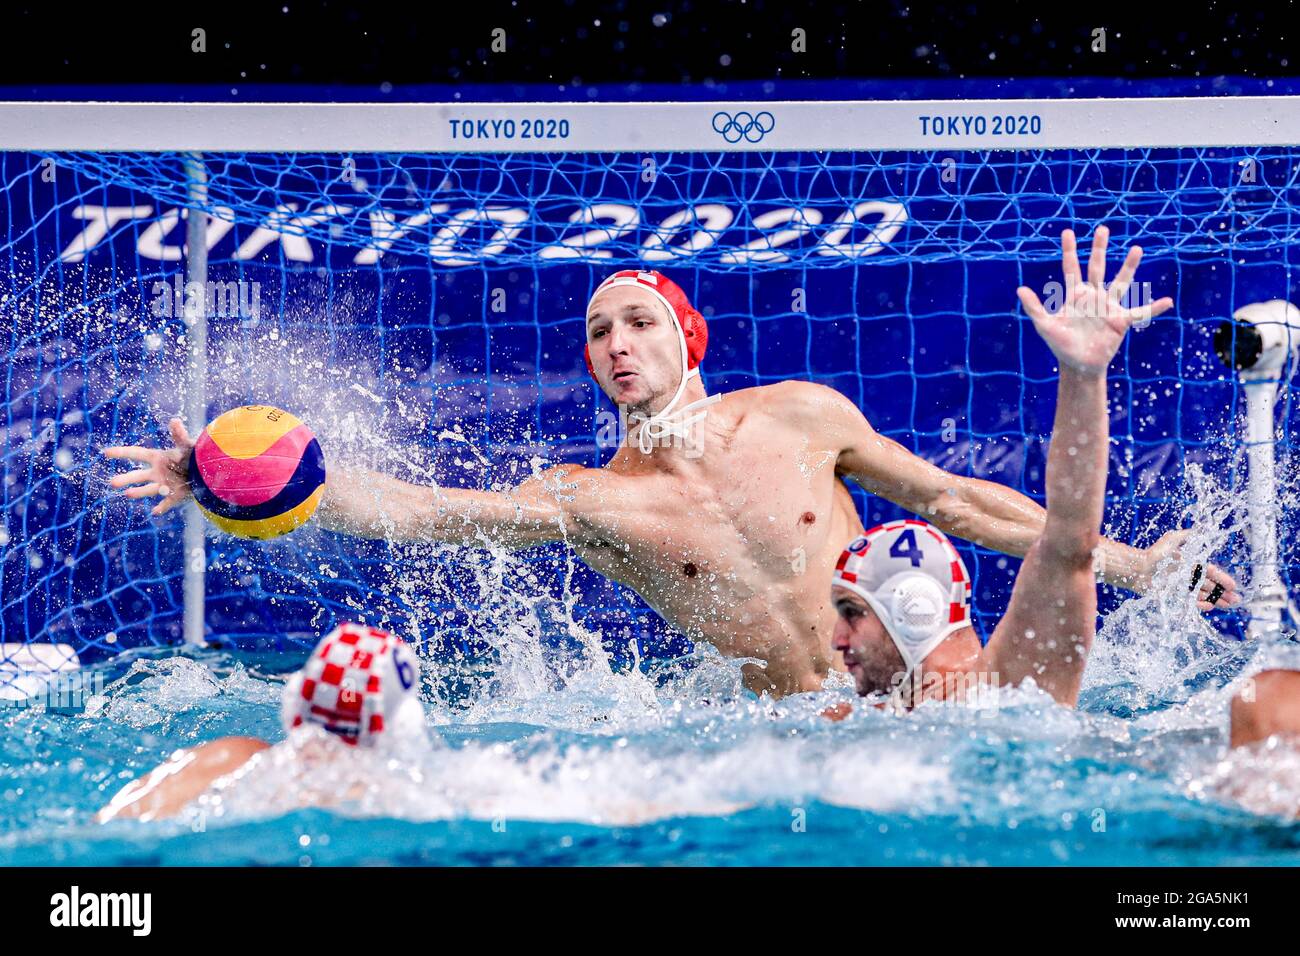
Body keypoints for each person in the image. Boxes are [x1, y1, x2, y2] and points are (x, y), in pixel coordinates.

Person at [106, 227, 1238, 697]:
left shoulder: (797, 413)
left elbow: (949, 498)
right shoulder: (588, 499)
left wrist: (1135, 563)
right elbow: (419, 510)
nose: (614, 342)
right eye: (598, 332)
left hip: (922, 706)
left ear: (683, 335)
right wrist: (254, 486)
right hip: (799, 737)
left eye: (636, 319)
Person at [830, 230, 1238, 709]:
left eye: (851, 613)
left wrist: (1083, 376)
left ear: (911, 608)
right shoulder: (844, 722)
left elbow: (1070, 540)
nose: (835, 639)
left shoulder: (1004, 690)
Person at [96, 623, 426, 823]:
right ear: (403, 725)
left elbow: (106, 827)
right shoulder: (405, 800)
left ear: (294, 703)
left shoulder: (230, 758)